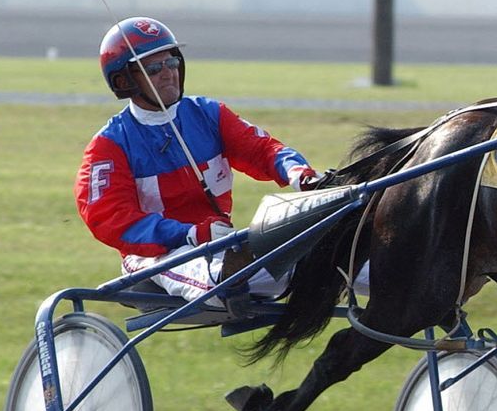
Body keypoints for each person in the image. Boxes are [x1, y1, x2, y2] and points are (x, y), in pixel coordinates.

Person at [76, 16, 322, 307]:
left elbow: (263, 149)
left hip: (222, 244)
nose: (168, 73)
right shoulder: (109, 146)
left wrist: (299, 173)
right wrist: (190, 234)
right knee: (221, 280)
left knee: (325, 261)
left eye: (171, 62)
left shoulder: (209, 114)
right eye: (153, 68)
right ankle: (228, 280)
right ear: (124, 81)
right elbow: (111, 219)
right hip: (154, 257)